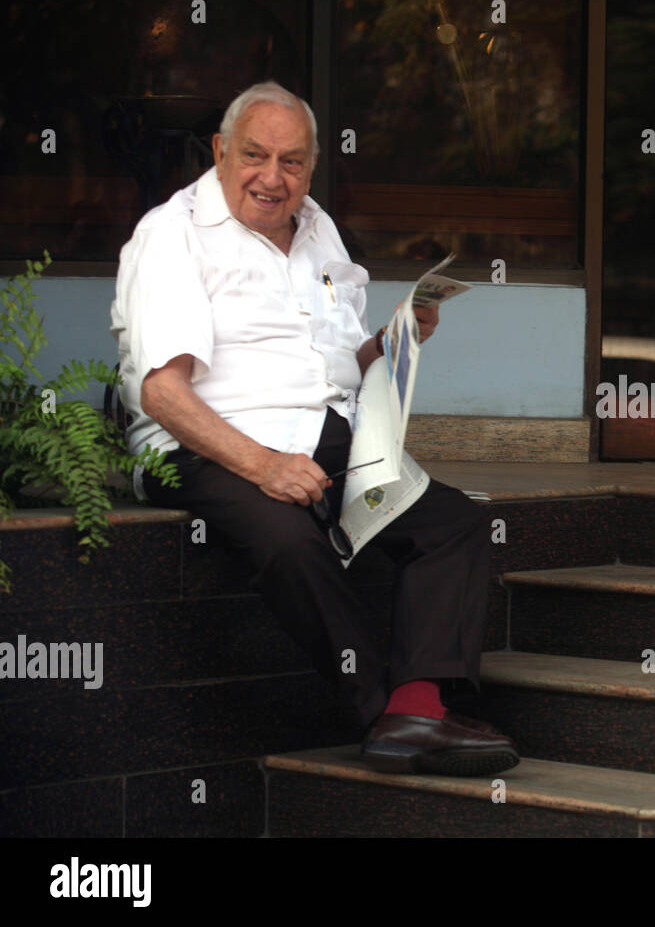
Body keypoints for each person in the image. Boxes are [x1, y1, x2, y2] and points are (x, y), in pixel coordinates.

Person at [108, 80, 519, 777]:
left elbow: (338, 365)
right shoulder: (171, 234)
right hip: (210, 442)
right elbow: (163, 392)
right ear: (219, 150)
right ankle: (382, 712)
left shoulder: (320, 228)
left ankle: (418, 707)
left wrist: (394, 340)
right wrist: (264, 465)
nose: (273, 178)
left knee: (452, 524)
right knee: (290, 542)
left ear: (313, 165)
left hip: (329, 432)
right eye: (255, 156)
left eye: (292, 162)